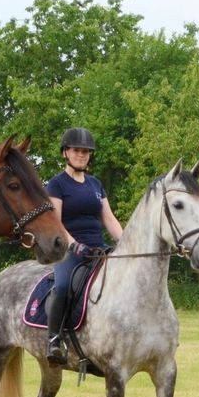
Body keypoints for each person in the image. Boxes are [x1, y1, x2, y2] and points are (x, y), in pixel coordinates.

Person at [43, 127, 123, 364]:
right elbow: (55, 222)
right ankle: (54, 340)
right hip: (70, 250)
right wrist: (74, 245)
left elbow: (108, 218)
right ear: (65, 152)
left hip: (98, 248)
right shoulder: (57, 184)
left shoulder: (96, 184)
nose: (82, 155)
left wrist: (127, 242)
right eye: (77, 150)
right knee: (64, 285)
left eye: (86, 151)